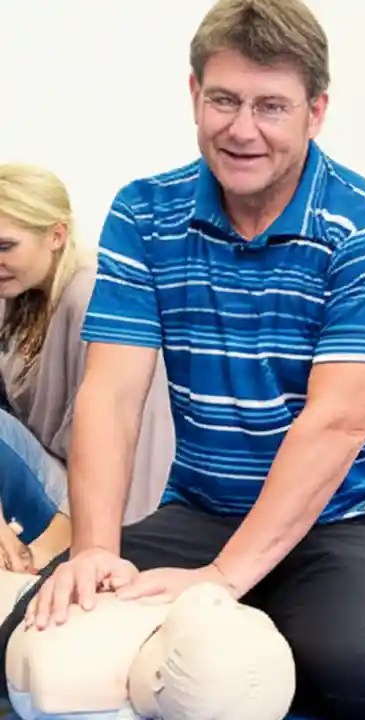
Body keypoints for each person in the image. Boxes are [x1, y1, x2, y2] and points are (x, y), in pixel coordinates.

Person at [0, 2, 365, 718]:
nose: (243, 129)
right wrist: (94, 550)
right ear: (194, 97)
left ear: (316, 111)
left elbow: (336, 424)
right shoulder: (145, 213)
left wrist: (219, 579)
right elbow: (110, 396)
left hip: (353, 517)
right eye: (224, 100)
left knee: (364, 669)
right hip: (206, 508)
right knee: (38, 626)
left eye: (272, 106)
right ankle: (269, 596)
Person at [0, 164, 172, 573]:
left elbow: (130, 433)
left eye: (6, 246)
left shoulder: (90, 295)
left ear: (56, 235)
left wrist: (80, 545)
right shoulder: (16, 301)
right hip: (50, 479)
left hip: (101, 504)